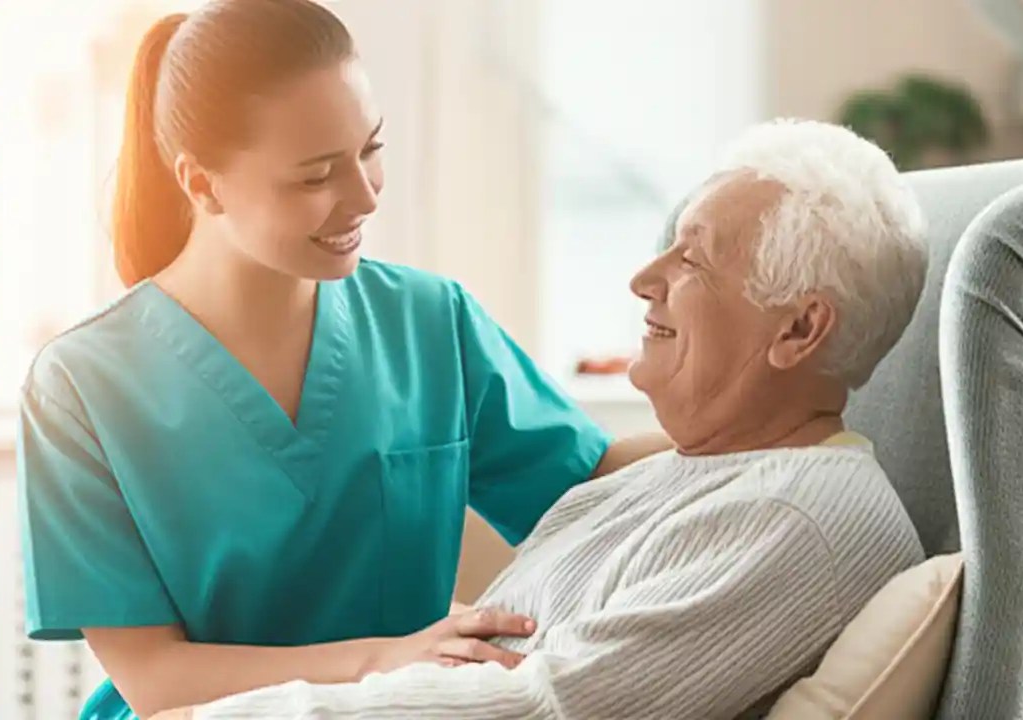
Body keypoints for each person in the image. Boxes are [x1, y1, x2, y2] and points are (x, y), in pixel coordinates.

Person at [149, 119, 931, 720]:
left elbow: (541, 706)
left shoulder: (792, 518)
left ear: (798, 331)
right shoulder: (698, 470)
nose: (643, 278)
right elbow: (505, 656)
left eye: (692, 259)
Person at [16, 1, 671, 719]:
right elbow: (156, 680)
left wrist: (792, 416)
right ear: (201, 184)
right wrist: (384, 660)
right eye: (315, 176)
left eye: (371, 149)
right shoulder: (79, 388)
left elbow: (591, 480)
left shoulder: (430, 322)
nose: (362, 197)